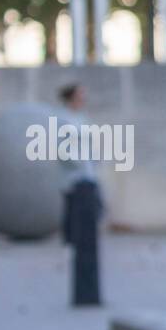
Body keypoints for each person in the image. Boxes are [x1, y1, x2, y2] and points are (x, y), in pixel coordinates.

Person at [57, 82, 103, 243]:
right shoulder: (62, 119)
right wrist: (77, 165)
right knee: (73, 212)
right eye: (79, 95)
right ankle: (71, 245)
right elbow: (61, 149)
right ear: (71, 98)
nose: (83, 99)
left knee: (93, 209)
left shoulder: (82, 118)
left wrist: (94, 160)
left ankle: (83, 243)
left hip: (88, 173)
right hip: (73, 176)